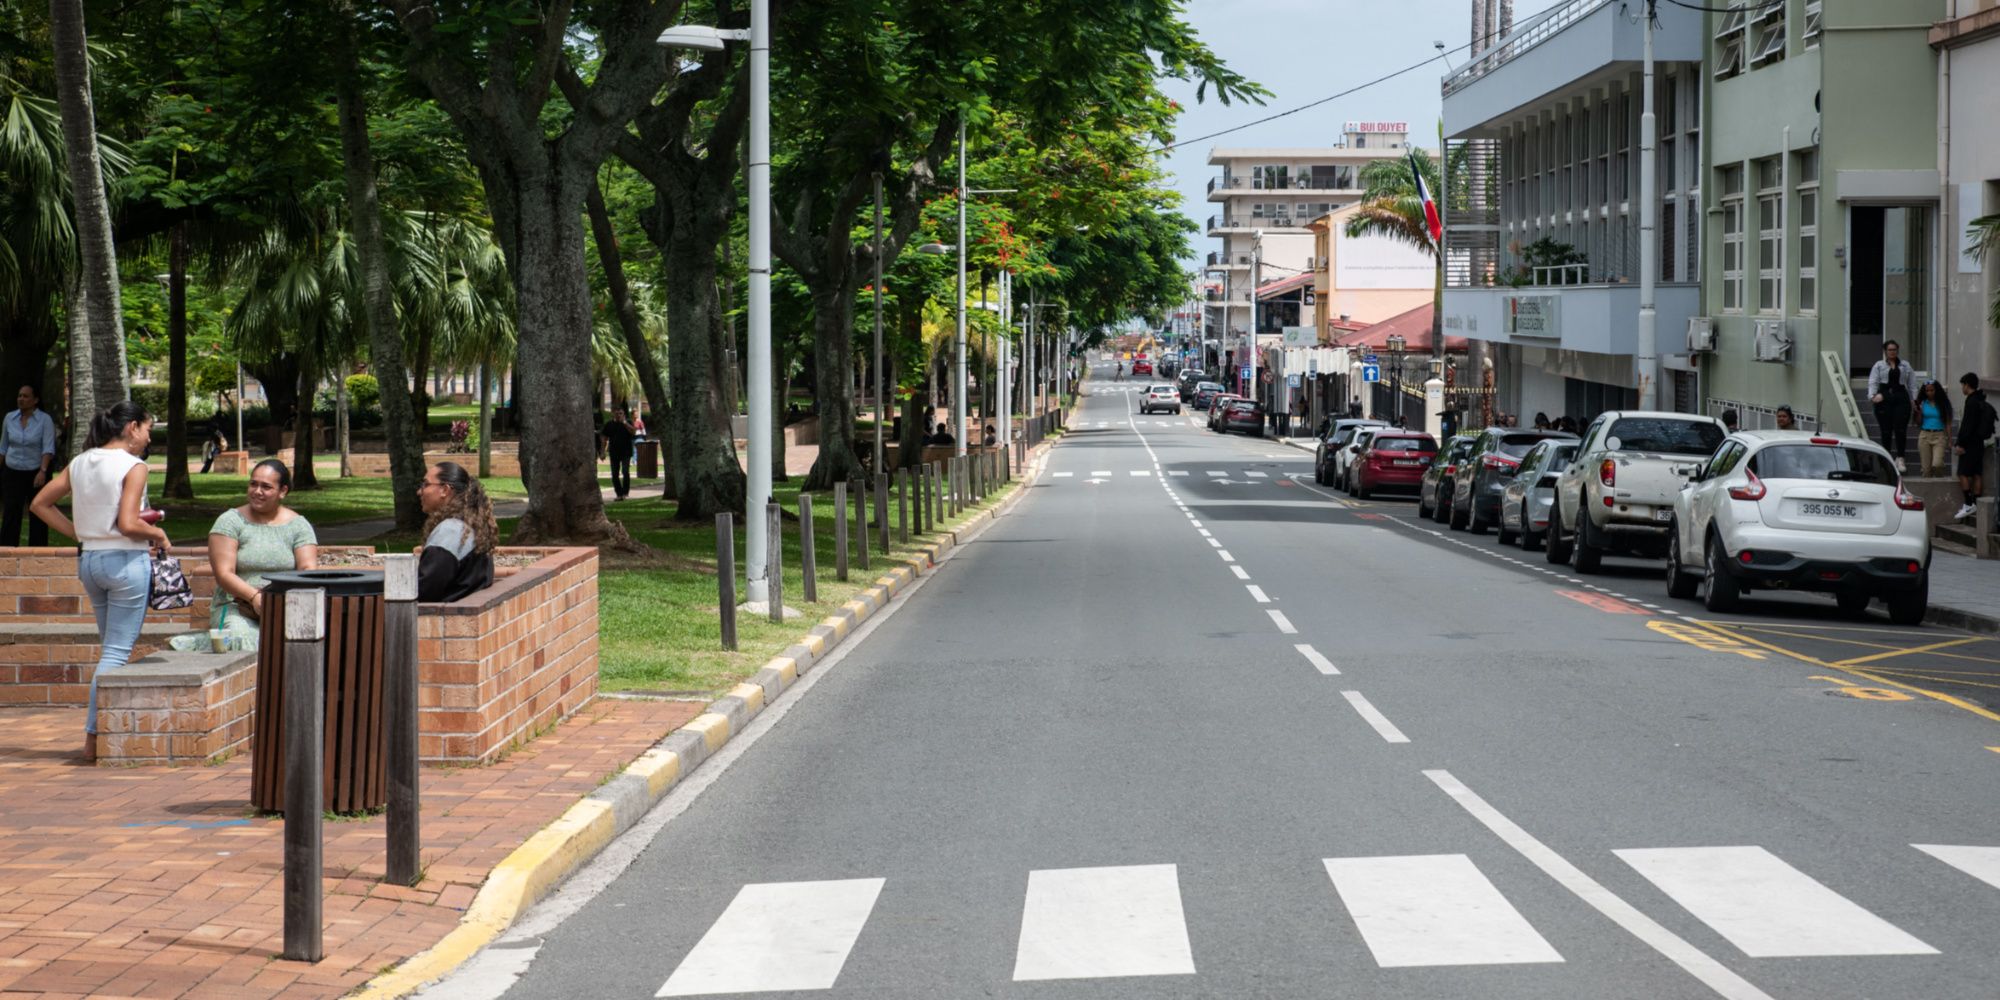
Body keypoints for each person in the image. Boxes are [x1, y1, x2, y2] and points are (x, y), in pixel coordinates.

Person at [28, 401, 168, 761]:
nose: (148, 436)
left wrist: (79, 534)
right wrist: (159, 534)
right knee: (116, 654)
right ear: (132, 427)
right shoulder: (134, 466)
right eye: (148, 429)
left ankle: (102, 734)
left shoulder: (81, 461)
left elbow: (40, 504)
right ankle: (93, 738)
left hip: (90, 560)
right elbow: (128, 523)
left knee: (111, 649)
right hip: (124, 561)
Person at [206, 460, 318, 645]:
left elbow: (308, 568)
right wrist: (255, 597)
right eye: (253, 484)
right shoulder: (230, 522)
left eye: (266, 487)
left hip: (285, 606)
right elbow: (224, 574)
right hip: (236, 607)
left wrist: (283, 602)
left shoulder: (299, 526)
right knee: (243, 638)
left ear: (283, 491)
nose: (257, 491)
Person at [417, 461, 496, 602]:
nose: (419, 491)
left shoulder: (449, 532)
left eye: (426, 484)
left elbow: (425, 590)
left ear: (445, 490)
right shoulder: (468, 527)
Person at [1, 384, 57, 547]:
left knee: (38, 511)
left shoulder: (45, 420)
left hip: (36, 471)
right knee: (11, 511)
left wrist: (42, 471)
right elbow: (3, 447)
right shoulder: (9, 418)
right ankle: (6, 551)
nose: (21, 399)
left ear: (35, 400)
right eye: (19, 396)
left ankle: (37, 552)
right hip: (12, 471)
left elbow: (48, 447)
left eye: (26, 396)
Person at [1867, 340, 1915, 470]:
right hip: (1884, 398)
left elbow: (1911, 384)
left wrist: (1914, 400)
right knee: (1886, 430)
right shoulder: (1879, 365)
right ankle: (1887, 459)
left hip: (1901, 398)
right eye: (1889, 350)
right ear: (1885, 351)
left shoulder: (1905, 365)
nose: (1892, 352)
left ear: (1897, 351)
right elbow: (1873, 381)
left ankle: (1900, 458)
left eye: (1894, 349)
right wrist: (1872, 396)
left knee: (1901, 429)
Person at [1955, 373, 1997, 520]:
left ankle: (1968, 503)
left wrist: (1960, 444)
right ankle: (1977, 503)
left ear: (1967, 384)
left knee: (1963, 473)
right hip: (1979, 442)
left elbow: (1967, 425)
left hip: (1970, 443)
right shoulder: (1980, 399)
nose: (1962, 388)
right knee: (1977, 473)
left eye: (1962, 385)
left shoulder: (1971, 401)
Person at [1914, 380, 1954, 478]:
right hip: (1924, 436)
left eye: (1932, 390)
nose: (1930, 393)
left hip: (1939, 435)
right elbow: (1918, 422)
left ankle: (1940, 480)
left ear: (1937, 390)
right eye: (1927, 391)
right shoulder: (1923, 403)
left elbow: (1948, 423)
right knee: (1926, 470)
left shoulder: (1943, 403)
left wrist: (1950, 440)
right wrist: (1918, 411)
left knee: (1937, 464)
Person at [600, 407, 635, 500]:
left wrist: (625, 423)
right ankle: (619, 494)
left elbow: (633, 431)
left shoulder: (628, 423)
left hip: (626, 452)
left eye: (621, 413)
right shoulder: (609, 424)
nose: (619, 415)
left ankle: (625, 493)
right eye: (617, 413)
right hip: (614, 452)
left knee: (625, 471)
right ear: (613, 414)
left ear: (624, 414)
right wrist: (602, 452)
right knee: (614, 474)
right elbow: (604, 438)